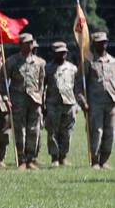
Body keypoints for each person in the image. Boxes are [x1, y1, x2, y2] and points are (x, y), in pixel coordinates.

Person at [6, 32, 46, 169]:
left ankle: (31, 159)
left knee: (34, 130)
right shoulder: (11, 61)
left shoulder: (40, 62)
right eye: (26, 43)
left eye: (31, 43)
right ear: (20, 45)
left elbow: (41, 82)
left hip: (34, 101)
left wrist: (40, 97)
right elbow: (3, 82)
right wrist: (6, 98)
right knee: (19, 131)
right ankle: (21, 159)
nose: (29, 45)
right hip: (18, 101)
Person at [43, 41, 83, 167]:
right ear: (54, 54)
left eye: (64, 53)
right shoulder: (47, 68)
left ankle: (63, 157)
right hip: (52, 104)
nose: (62, 55)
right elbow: (42, 87)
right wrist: (43, 105)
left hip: (69, 104)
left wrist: (77, 104)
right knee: (53, 132)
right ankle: (54, 157)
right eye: (59, 53)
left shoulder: (73, 68)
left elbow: (77, 88)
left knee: (67, 132)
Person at [83, 31, 114, 168]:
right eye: (100, 42)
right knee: (97, 132)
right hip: (95, 103)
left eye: (105, 42)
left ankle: (104, 160)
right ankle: (95, 160)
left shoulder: (113, 61)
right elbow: (80, 84)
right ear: (94, 44)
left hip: (111, 102)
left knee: (110, 132)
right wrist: (82, 101)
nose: (103, 44)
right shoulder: (88, 61)